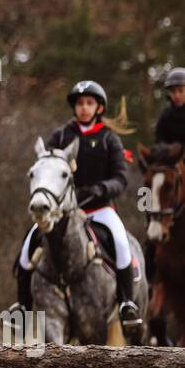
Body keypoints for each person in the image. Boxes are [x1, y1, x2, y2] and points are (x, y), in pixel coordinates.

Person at [11, 80, 141, 335]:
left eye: (89, 103)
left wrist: (100, 189)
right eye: (80, 103)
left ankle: (126, 302)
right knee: (28, 247)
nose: (84, 108)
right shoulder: (61, 136)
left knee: (122, 243)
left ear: (99, 107)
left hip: (99, 209)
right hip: (62, 212)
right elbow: (46, 167)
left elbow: (121, 178)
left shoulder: (108, 139)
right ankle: (22, 308)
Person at [143, 66, 185, 283]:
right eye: (173, 91)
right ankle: (149, 267)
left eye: (181, 90)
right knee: (147, 195)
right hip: (171, 166)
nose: (177, 95)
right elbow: (159, 143)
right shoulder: (166, 116)